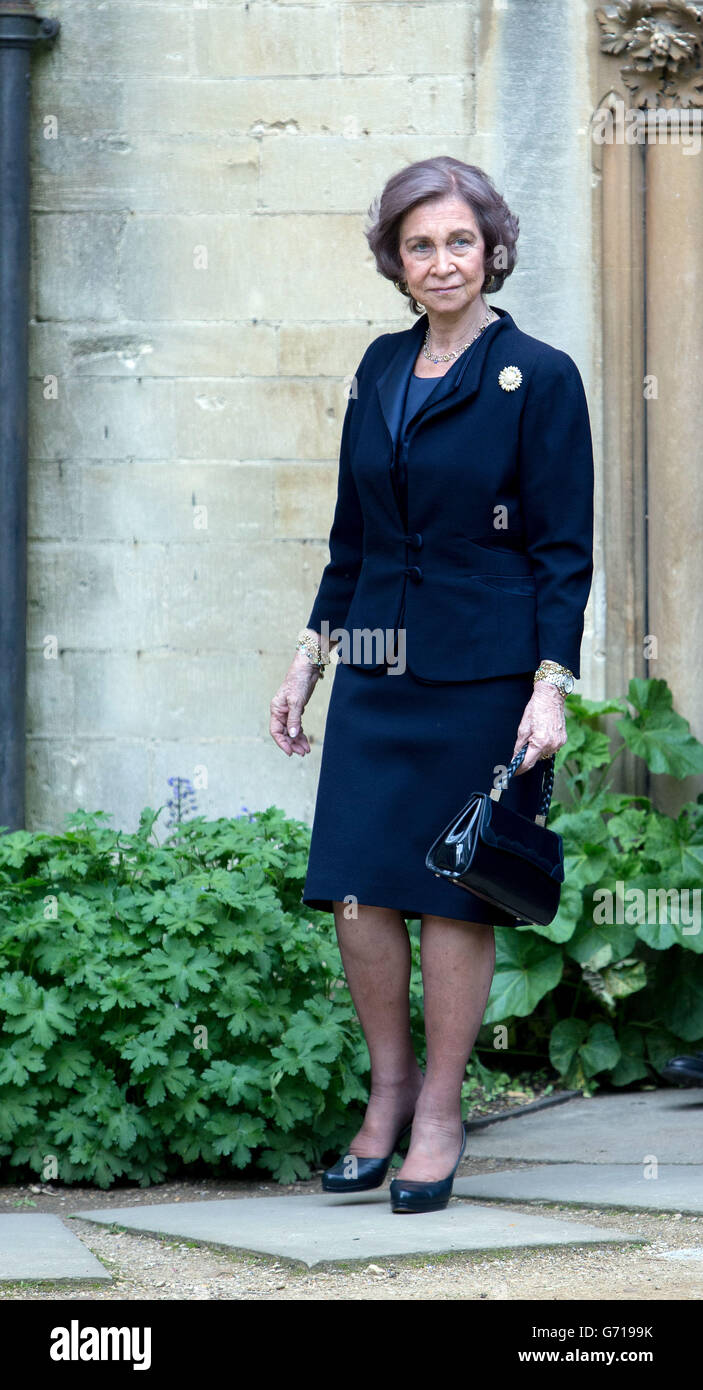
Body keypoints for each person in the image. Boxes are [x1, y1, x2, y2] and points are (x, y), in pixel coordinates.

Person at [269, 156, 594, 1214]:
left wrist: (549, 685)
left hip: (480, 670)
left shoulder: (537, 376)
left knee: (451, 896)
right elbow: (350, 535)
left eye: (459, 240)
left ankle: (442, 1111)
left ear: (490, 247)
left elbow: (560, 551)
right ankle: (388, 1091)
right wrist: (311, 654)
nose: (441, 260)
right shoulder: (377, 367)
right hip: (375, 665)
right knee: (357, 889)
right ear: (396, 264)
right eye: (420, 245)